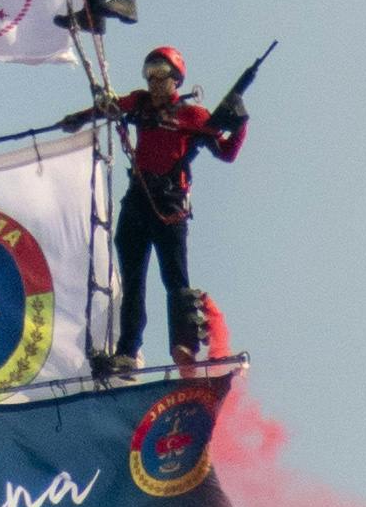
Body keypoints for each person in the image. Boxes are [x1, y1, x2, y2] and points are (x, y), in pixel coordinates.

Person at [89, 46, 251, 375]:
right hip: (138, 201)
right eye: (149, 75)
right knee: (133, 279)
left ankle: (185, 345)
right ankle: (127, 352)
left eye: (160, 75)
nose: (153, 82)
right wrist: (93, 110)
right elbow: (113, 107)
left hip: (169, 205)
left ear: (176, 79)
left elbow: (226, 152)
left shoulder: (193, 117)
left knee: (174, 277)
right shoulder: (140, 104)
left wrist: (240, 121)